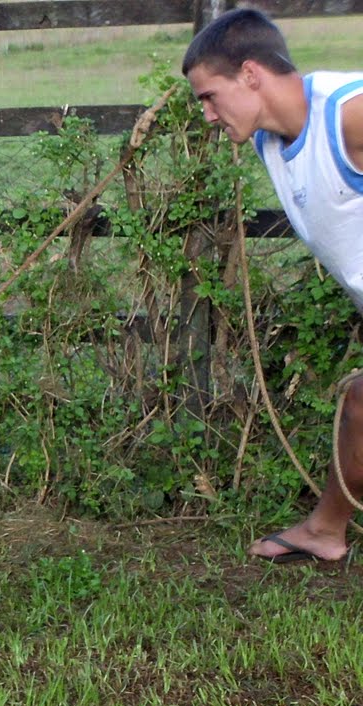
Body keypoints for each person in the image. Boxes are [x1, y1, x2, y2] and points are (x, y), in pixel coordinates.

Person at [184, 9, 363, 564]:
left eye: (210, 96)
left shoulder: (348, 114)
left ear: (251, 73)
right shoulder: (271, 142)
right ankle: (326, 530)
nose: (208, 115)